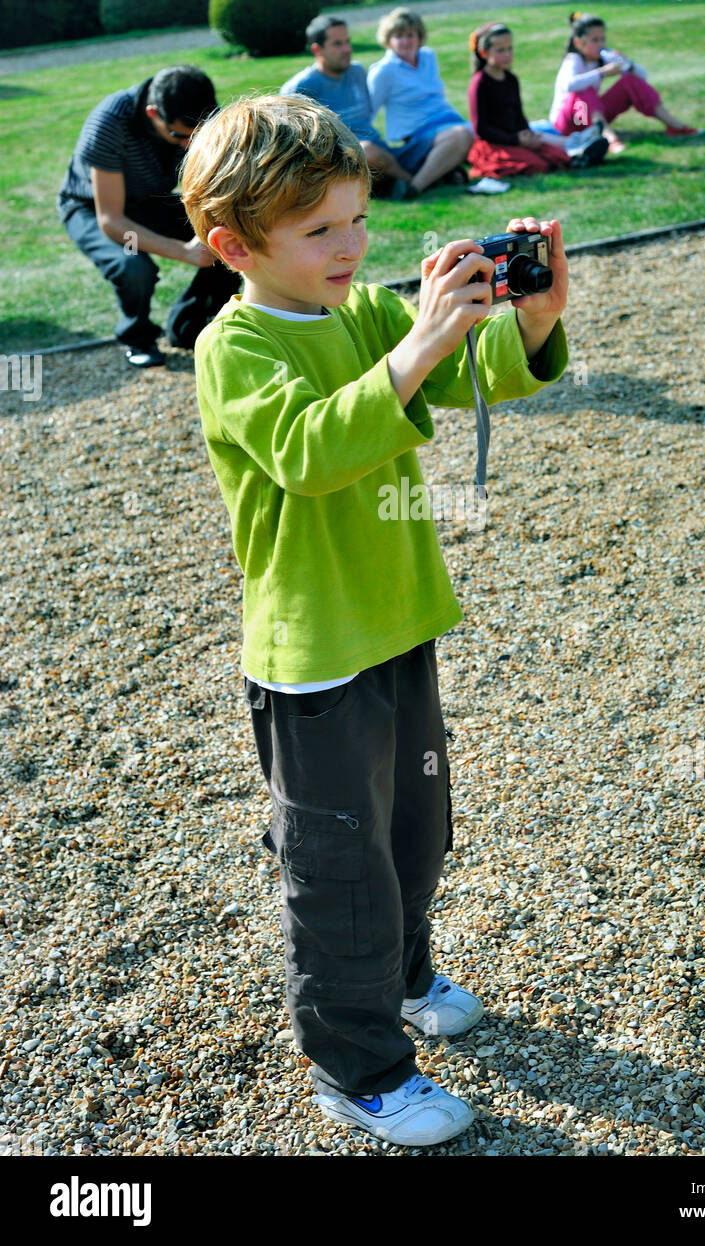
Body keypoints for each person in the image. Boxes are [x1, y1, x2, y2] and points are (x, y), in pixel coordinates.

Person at [181, 93, 570, 1147]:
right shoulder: (236, 348)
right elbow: (311, 452)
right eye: (320, 232)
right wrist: (417, 344)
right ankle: (357, 1066)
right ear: (233, 246)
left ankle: (402, 977)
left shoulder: (356, 310)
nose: (351, 245)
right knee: (338, 864)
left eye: (357, 218)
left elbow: (455, 378)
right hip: (312, 658)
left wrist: (521, 324)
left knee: (413, 830)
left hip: (399, 623)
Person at [58, 65, 236, 367]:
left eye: (197, 136)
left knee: (228, 233)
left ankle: (191, 327)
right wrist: (183, 251)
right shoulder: (109, 124)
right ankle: (137, 337)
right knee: (132, 265)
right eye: (179, 136)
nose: (189, 146)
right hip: (94, 209)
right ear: (153, 113)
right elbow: (112, 222)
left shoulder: (198, 115)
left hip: (150, 201)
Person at [280, 14, 417, 201]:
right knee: (365, 151)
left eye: (347, 42)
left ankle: (393, 181)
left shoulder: (357, 72)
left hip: (381, 149)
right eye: (337, 44)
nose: (347, 49)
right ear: (317, 50)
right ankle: (414, 183)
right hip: (341, 160)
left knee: (447, 136)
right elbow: (296, 146)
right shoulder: (300, 88)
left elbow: (367, 117)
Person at [466, 22, 607, 179]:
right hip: (495, 144)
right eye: (500, 50)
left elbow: (518, 114)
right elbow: (481, 128)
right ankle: (577, 151)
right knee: (536, 164)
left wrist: (528, 135)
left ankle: (579, 154)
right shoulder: (480, 83)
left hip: (518, 138)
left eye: (509, 49)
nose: (507, 54)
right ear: (484, 53)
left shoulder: (511, 80)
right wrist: (515, 140)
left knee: (555, 155)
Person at [550, 12, 702, 155]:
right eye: (594, 40)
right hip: (571, 123)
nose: (600, 44)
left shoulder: (603, 58)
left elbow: (643, 76)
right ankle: (610, 139)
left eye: (602, 39)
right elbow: (569, 85)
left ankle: (675, 126)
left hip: (591, 119)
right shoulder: (573, 60)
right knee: (584, 89)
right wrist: (601, 73)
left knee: (630, 80)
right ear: (578, 43)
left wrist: (627, 64)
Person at [367, 8, 473, 195]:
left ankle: (447, 172)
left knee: (488, 128)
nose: (406, 41)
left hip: (449, 120)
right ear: (388, 40)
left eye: (410, 35)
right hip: (419, 132)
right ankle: (416, 187)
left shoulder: (428, 57)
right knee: (460, 135)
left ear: (420, 36)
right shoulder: (383, 72)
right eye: (399, 36)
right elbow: (369, 112)